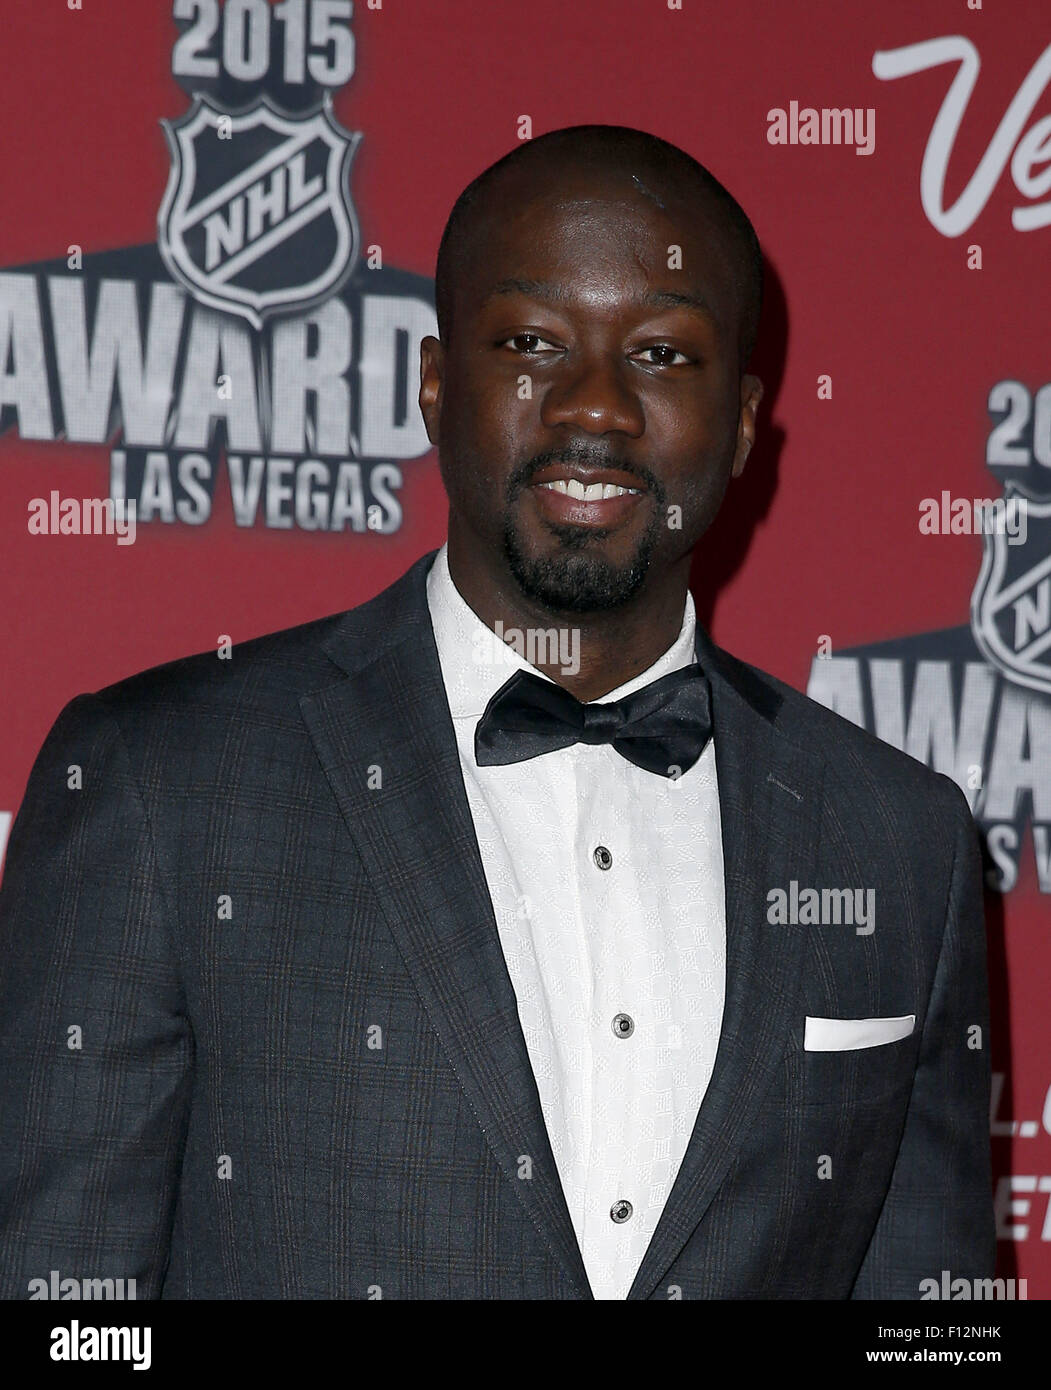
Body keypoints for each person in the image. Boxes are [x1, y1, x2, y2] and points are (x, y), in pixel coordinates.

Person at [0, 124, 994, 1300]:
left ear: (739, 421)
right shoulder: (158, 783)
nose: (596, 407)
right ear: (433, 382)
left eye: (665, 355)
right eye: (530, 341)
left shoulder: (898, 840)